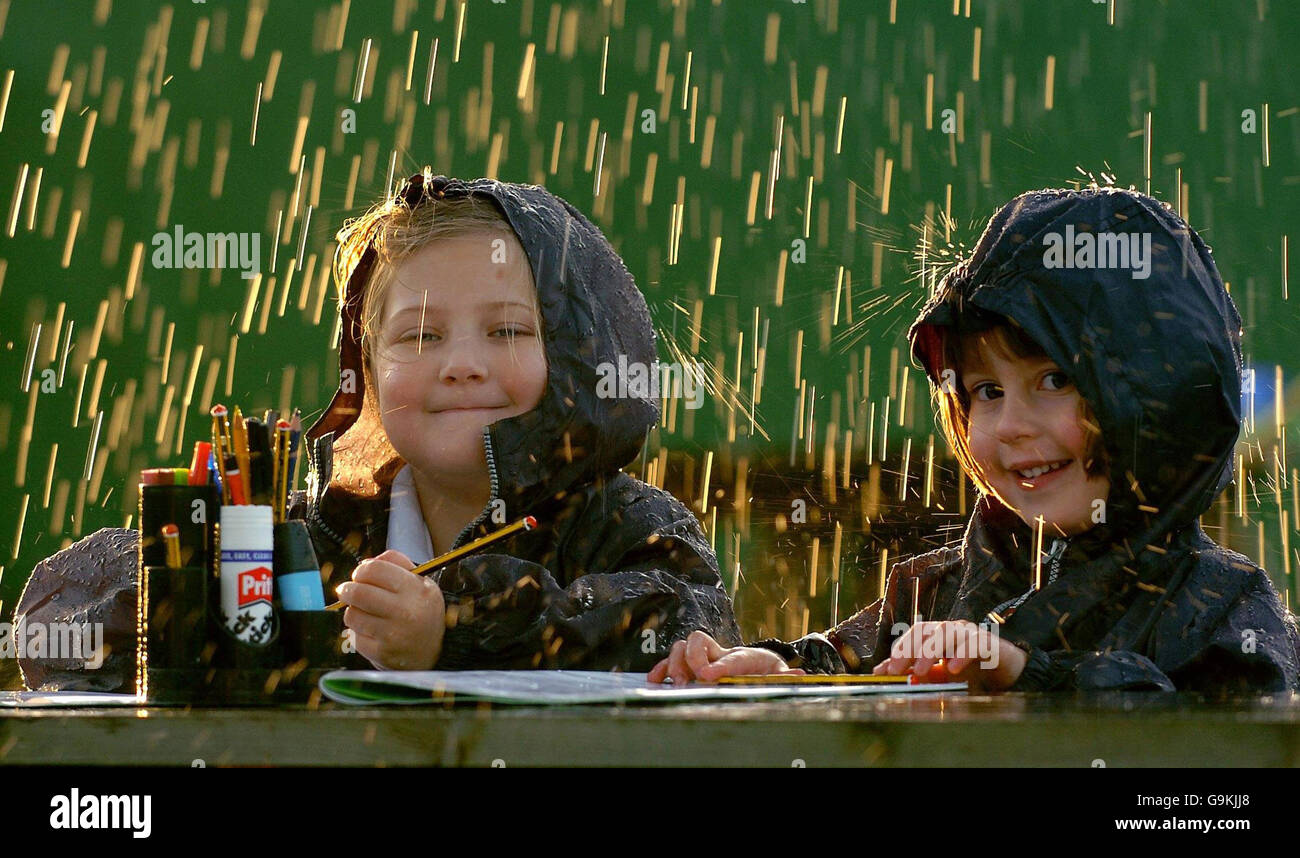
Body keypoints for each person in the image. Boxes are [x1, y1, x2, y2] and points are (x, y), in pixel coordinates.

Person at [14, 171, 741, 690]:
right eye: (420, 337)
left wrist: (451, 628)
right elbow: (54, 621)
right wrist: (203, 608)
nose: (461, 364)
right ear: (366, 370)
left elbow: (689, 622)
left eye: (507, 330)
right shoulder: (317, 536)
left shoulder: (626, 520)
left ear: (580, 355)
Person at [651, 186, 1300, 694]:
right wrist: (774, 669)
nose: (1010, 425)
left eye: (1054, 379)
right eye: (985, 392)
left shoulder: (1216, 603)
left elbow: (1229, 752)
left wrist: (1031, 677)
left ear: (1157, 395)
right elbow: (845, 669)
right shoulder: (937, 590)